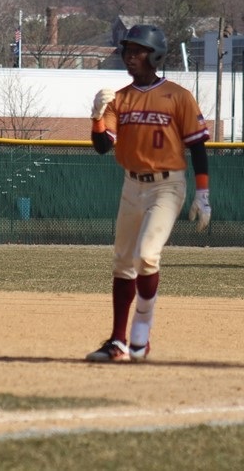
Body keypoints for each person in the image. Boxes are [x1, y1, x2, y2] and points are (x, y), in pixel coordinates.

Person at [85, 24, 211, 362]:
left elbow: (198, 146)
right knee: (123, 263)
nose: (130, 56)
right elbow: (101, 147)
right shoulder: (120, 99)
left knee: (146, 255)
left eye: (138, 51)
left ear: (154, 55)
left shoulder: (178, 96)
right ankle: (117, 342)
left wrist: (203, 193)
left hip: (167, 186)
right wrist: (97, 117)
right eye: (128, 50)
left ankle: (140, 336)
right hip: (131, 185)